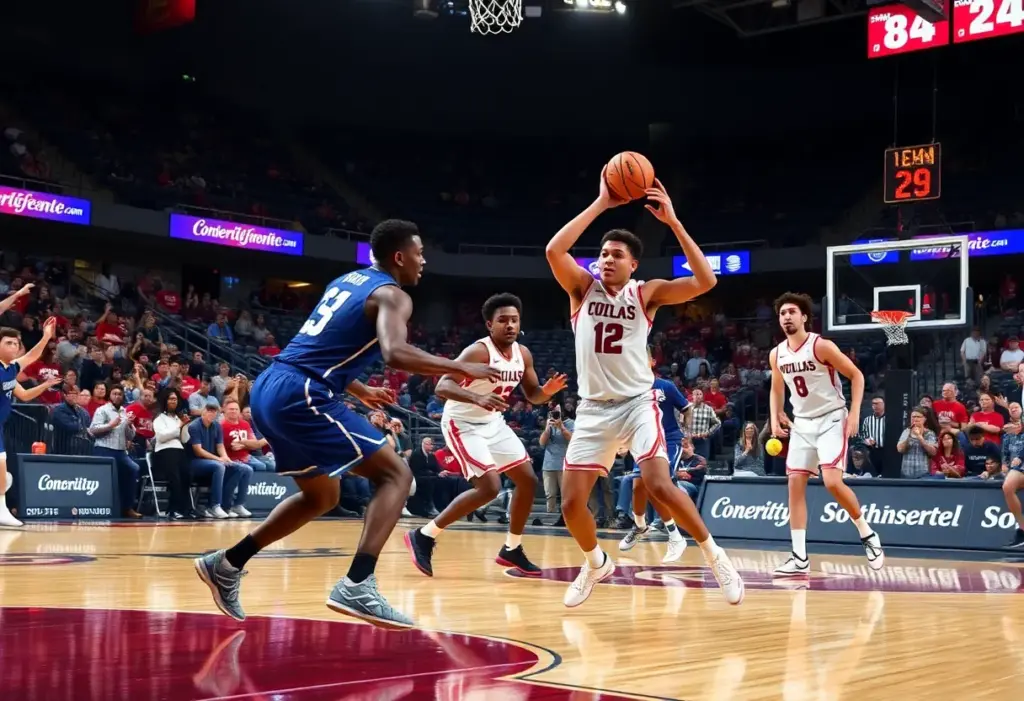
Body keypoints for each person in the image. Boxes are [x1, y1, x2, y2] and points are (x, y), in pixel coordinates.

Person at [194, 219, 499, 629]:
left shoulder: (347, 280)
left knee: (321, 496)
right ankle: (358, 582)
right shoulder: (393, 295)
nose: (423, 260)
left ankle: (227, 564)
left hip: (273, 386)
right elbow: (394, 352)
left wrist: (358, 390)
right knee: (397, 475)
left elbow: (320, 344)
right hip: (302, 393)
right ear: (398, 256)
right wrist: (458, 366)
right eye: (419, 252)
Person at [543, 170, 743, 608]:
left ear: (634, 264)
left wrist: (674, 222)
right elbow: (554, 250)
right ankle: (596, 563)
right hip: (594, 409)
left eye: (617, 254)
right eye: (603, 252)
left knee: (658, 484)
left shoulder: (645, 293)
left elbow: (706, 282)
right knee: (571, 506)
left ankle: (715, 556)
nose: (607, 259)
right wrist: (601, 202)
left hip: (637, 403)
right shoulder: (581, 289)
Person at [405, 293, 568, 577]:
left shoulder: (523, 354)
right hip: (462, 423)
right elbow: (442, 386)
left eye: (514, 320)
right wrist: (474, 398)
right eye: (503, 320)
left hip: (493, 422)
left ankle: (512, 548)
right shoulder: (478, 352)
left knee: (527, 481)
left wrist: (547, 392)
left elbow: (533, 395)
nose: (510, 325)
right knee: (489, 487)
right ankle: (424, 535)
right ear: (489, 325)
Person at [769, 292, 884, 577]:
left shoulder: (821, 346)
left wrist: (855, 413)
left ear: (804, 317)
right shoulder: (777, 353)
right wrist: (776, 416)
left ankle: (867, 534)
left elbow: (856, 376)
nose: (787, 317)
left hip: (832, 417)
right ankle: (799, 557)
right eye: (783, 313)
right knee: (794, 485)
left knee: (832, 482)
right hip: (802, 423)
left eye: (792, 312)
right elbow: (776, 388)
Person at [618, 348, 691, 564]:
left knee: (654, 484)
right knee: (638, 485)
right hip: (644, 441)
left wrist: (686, 431)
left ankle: (674, 535)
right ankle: (640, 525)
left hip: (669, 440)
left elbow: (686, 409)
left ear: (651, 361)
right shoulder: (629, 389)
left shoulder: (665, 386)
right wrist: (622, 443)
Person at [0, 320, 59, 526]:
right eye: (9, 343)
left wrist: (45, 336)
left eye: (16, 344)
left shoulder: (10, 369)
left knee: (3, 472)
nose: (14, 347)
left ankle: (2, 511)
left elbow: (24, 395)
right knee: (2, 472)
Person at [89, 385, 143, 519]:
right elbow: (93, 430)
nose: (117, 396)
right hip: (103, 449)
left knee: (133, 469)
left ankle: (127, 507)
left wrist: (130, 425)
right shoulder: (102, 410)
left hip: (120, 451)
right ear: (109, 395)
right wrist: (110, 425)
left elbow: (130, 436)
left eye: (120, 394)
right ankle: (102, 507)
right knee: (107, 477)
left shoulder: (125, 412)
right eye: (114, 393)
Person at [152, 388, 194, 519]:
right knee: (175, 478)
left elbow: (184, 439)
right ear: (165, 401)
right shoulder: (159, 418)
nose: (173, 401)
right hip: (164, 452)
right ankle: (172, 509)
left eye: (175, 399)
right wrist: (179, 426)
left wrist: (184, 426)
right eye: (171, 399)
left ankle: (185, 509)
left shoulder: (177, 418)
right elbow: (161, 437)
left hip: (179, 450)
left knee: (186, 477)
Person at [897, 407, 938, 478]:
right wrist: (908, 436)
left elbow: (933, 452)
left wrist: (919, 437)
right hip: (906, 474)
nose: (915, 419)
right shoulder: (906, 432)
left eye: (918, 417)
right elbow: (900, 449)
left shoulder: (929, 433)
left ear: (924, 419)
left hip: (923, 474)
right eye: (913, 417)